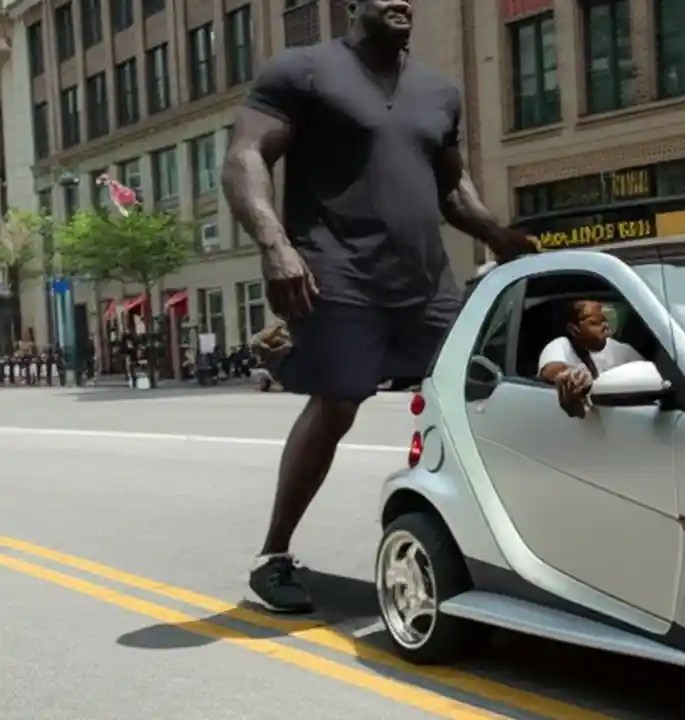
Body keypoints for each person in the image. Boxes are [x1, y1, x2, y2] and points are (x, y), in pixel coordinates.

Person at [222, 0, 538, 613]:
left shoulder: (439, 92)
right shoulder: (303, 70)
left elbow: (452, 185)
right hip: (335, 269)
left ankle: (482, 547)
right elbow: (245, 157)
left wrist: (497, 235)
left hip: (425, 279)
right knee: (339, 401)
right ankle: (273, 556)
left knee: (476, 392)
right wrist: (274, 245)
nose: (402, 2)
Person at [537, 300, 643, 418]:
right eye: (596, 322)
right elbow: (552, 369)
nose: (605, 326)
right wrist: (573, 378)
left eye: (605, 320)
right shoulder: (561, 345)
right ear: (574, 329)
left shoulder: (621, 349)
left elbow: (648, 373)